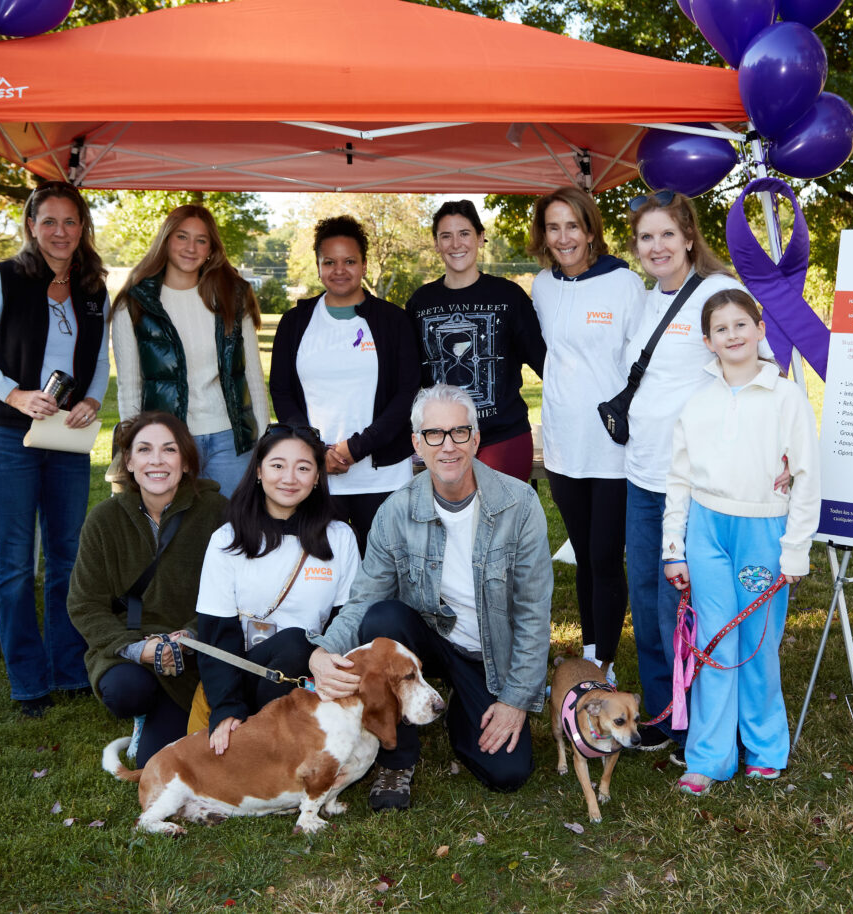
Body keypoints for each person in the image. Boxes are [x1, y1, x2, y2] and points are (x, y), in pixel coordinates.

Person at [308, 384, 553, 808]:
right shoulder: (396, 511)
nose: (448, 446)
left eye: (459, 432)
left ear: (476, 439)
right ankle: (397, 755)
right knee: (382, 619)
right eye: (434, 434)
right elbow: (365, 597)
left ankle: (464, 706)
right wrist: (323, 651)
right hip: (429, 643)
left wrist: (515, 700)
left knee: (507, 773)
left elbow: (534, 613)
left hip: (491, 656)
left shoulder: (520, 504)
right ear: (417, 444)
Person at [622, 190, 776, 760]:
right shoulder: (644, 300)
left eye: (667, 234)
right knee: (646, 600)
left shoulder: (715, 292)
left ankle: (698, 726)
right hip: (641, 474)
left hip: (692, 482)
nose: (657, 246)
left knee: (679, 607)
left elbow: (762, 367)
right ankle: (664, 715)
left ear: (689, 238)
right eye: (646, 237)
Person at [0, 179, 110, 717]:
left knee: (67, 556)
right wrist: (15, 395)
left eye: (70, 222)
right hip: (7, 433)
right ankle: (27, 682)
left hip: (67, 437)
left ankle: (68, 671)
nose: (60, 232)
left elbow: (101, 361)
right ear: (30, 226)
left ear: (82, 227)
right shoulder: (3, 279)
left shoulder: (94, 289)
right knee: (17, 562)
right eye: (49, 221)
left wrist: (91, 398)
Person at [661, 289, 820, 796]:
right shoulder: (699, 401)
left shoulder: (785, 396)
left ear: (760, 329)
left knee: (756, 644)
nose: (733, 335)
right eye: (721, 329)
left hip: (762, 532)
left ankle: (766, 748)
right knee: (712, 645)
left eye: (741, 324)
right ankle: (709, 757)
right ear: (708, 342)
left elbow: (806, 476)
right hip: (707, 530)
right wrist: (674, 547)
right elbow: (679, 479)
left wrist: (795, 548)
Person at [527, 186, 645, 687]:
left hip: (611, 445)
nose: (563, 237)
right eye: (553, 227)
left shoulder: (623, 284)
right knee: (579, 551)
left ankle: (604, 665)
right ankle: (590, 650)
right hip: (561, 443)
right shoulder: (542, 287)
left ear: (591, 229)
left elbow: (642, 362)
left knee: (603, 556)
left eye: (572, 226)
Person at [67, 412, 228, 765]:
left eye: (169, 450)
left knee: (155, 764)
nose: (156, 460)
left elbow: (236, 591)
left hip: (191, 652)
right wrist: (136, 648)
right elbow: (85, 604)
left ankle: (162, 713)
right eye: (144, 449)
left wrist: (187, 638)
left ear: (185, 462)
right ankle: (143, 706)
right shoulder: (103, 520)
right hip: (130, 648)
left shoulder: (216, 512)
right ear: (129, 461)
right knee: (127, 691)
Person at [194, 423, 360, 754]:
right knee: (295, 642)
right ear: (258, 471)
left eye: (303, 468)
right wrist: (227, 706)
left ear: (316, 478)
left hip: (317, 678)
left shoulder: (339, 537)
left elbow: (349, 618)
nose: (289, 478)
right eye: (278, 465)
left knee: (300, 643)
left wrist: (322, 657)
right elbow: (217, 634)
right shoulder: (227, 540)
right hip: (247, 676)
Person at [269, 215, 420, 554]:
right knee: (321, 573)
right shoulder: (295, 323)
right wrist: (315, 451)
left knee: (384, 572)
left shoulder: (393, 320)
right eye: (330, 261)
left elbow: (406, 393)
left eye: (349, 261)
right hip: (317, 474)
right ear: (318, 266)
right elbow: (281, 391)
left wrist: (357, 447)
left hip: (383, 475)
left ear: (364, 264)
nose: (340, 270)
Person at [111, 204, 270, 498]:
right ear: (166, 240)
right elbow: (129, 387)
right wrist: (139, 446)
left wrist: (261, 440)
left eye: (201, 240)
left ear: (211, 248)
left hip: (230, 440)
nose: (191, 247)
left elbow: (252, 377)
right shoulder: (134, 304)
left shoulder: (232, 296)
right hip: (169, 442)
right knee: (175, 535)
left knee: (233, 532)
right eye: (182, 237)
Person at [405, 200, 546, 481]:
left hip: (502, 437)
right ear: (436, 243)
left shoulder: (508, 296)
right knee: (452, 522)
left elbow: (544, 361)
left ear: (481, 237)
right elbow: (410, 376)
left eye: (465, 233)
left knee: (502, 522)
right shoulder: (421, 303)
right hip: (443, 440)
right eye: (446, 236)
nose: (456, 243)